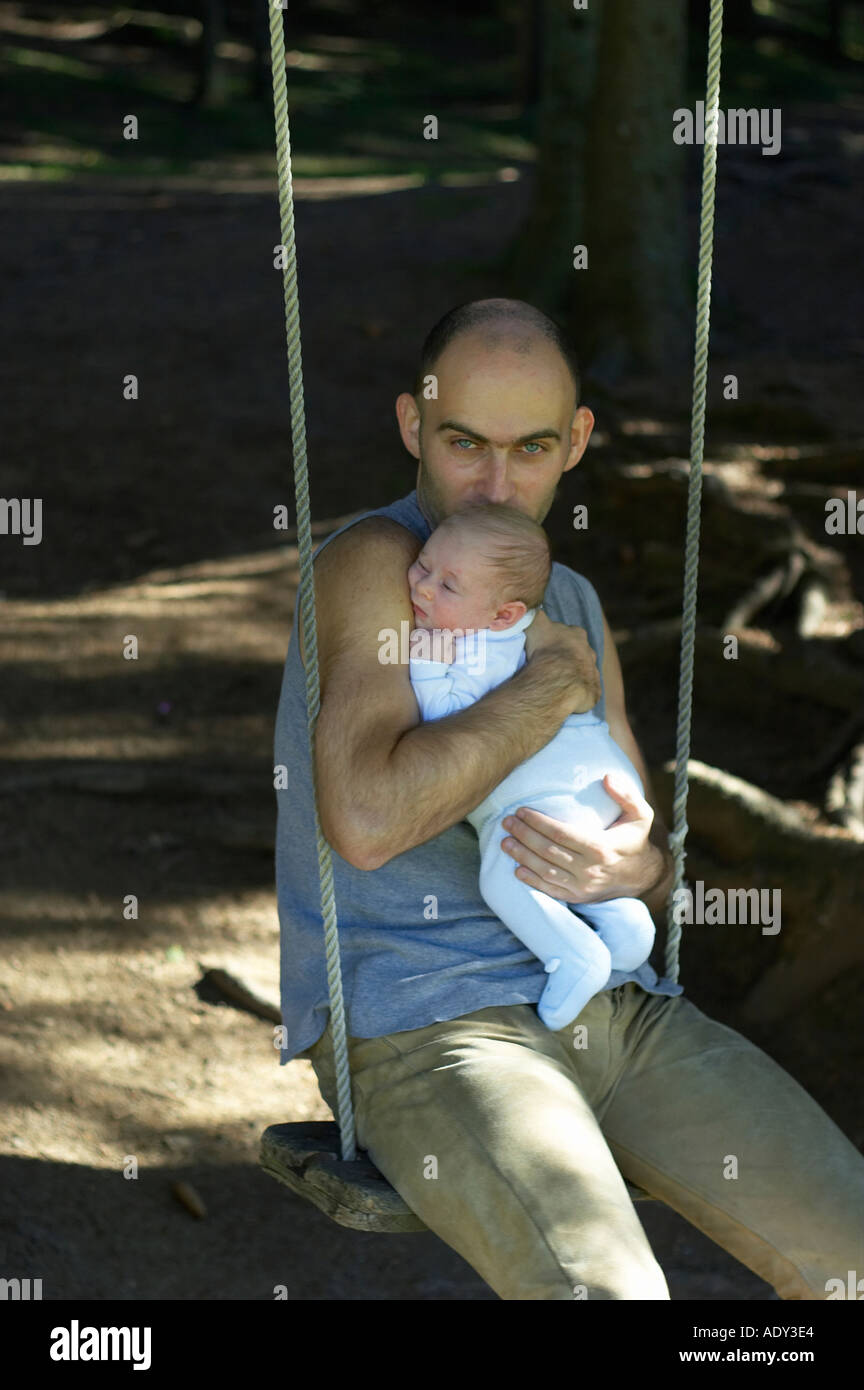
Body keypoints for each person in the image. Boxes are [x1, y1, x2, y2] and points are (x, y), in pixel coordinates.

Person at [274, 297, 864, 1300]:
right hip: (431, 1024)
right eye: (464, 442)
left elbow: (643, 845)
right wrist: (546, 684)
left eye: (533, 447)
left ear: (578, 441)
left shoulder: (574, 599)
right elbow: (366, 821)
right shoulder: (379, 568)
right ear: (414, 426)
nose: (496, 484)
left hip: (616, 1009)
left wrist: (630, 863)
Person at [405, 501, 656, 1030]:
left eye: (448, 587)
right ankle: (624, 924)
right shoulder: (513, 636)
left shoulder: (473, 649)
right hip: (598, 784)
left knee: (509, 870)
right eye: (424, 566)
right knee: (562, 863)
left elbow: (452, 731)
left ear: (504, 615)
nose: (424, 588)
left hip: (547, 788)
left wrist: (425, 662)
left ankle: (574, 957)